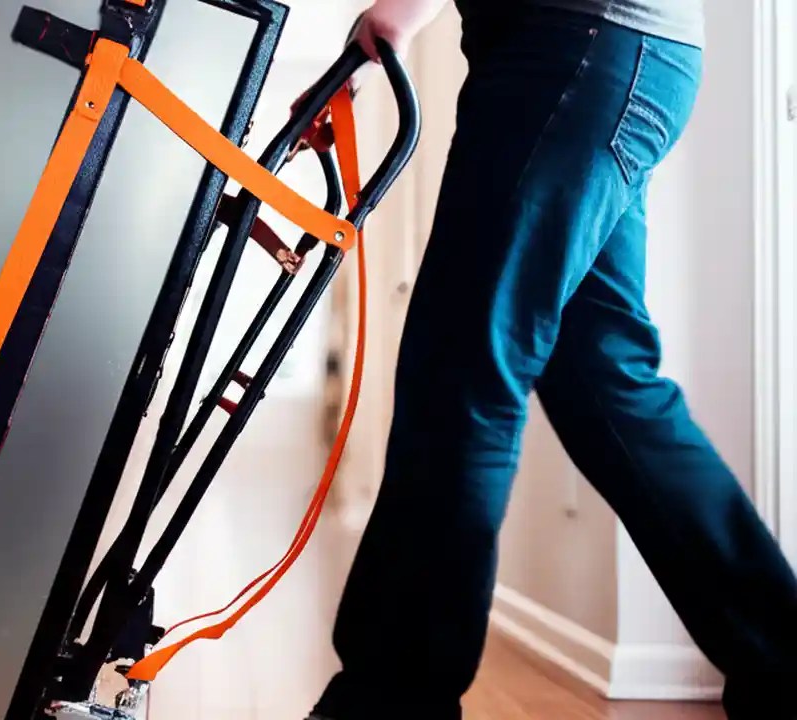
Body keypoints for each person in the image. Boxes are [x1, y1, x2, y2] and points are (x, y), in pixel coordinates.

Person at [310, 1, 797, 719]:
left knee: (465, 368)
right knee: (606, 386)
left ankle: (391, 698)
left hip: (577, 47)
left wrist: (401, 13)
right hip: (616, 57)